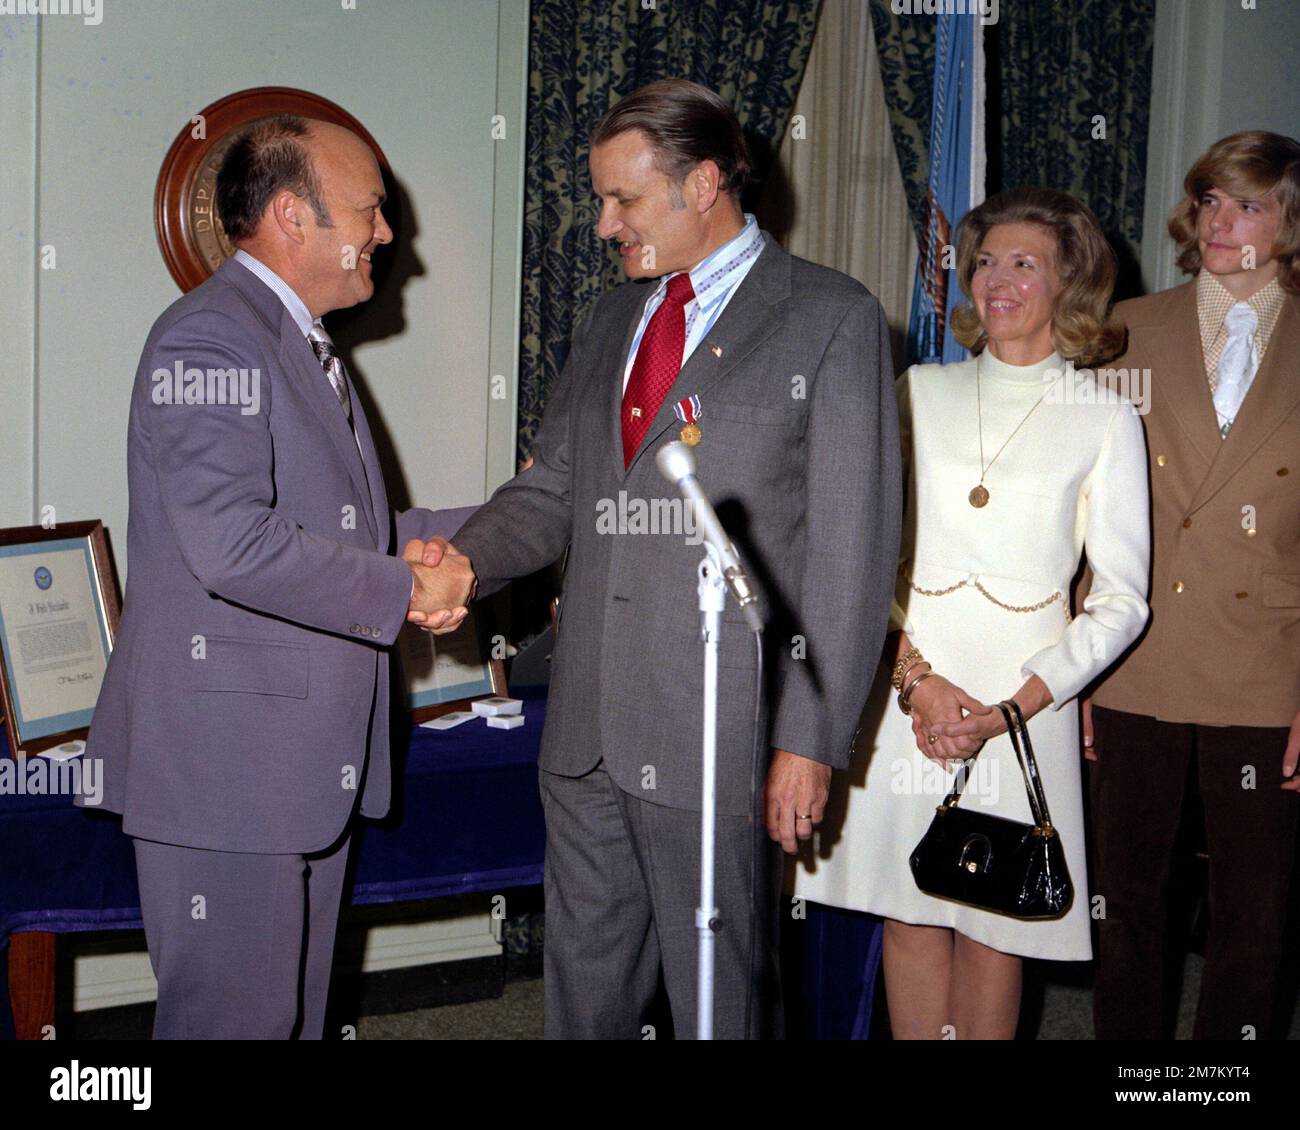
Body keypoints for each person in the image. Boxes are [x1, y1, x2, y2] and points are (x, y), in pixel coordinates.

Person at [416, 79, 902, 1038]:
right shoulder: (612, 320)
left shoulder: (831, 320)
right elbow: (555, 485)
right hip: (588, 724)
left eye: (623, 200)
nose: (603, 224)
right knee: (584, 997)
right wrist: (466, 567)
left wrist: (808, 740)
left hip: (720, 733)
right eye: (601, 200)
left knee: (718, 1004)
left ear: (705, 183)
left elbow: (851, 554)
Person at [79, 115, 473, 1038]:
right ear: (294, 217)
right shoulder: (208, 341)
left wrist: (516, 525)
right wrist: (406, 591)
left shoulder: (294, 341)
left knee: (281, 1024)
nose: (386, 232)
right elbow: (232, 543)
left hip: (285, 774)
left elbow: (357, 534)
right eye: (371, 210)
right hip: (230, 775)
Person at [793, 187, 1150, 1039]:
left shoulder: (1105, 414)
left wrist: (1012, 710)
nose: (997, 280)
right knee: (910, 911)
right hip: (910, 688)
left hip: (1024, 704)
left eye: (1024, 263)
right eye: (985, 261)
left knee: (995, 926)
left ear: (1071, 282)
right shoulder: (916, 390)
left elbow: (1121, 598)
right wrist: (914, 681)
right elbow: (856, 547)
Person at [1084, 130, 1300, 1040]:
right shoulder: (1127, 326)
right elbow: (1078, 506)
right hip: (1135, 652)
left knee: (1254, 918)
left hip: (1269, 668)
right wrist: (1075, 665)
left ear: (1290, 222)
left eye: (1247, 203)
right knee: (1126, 907)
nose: (1221, 220)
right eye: (1210, 199)